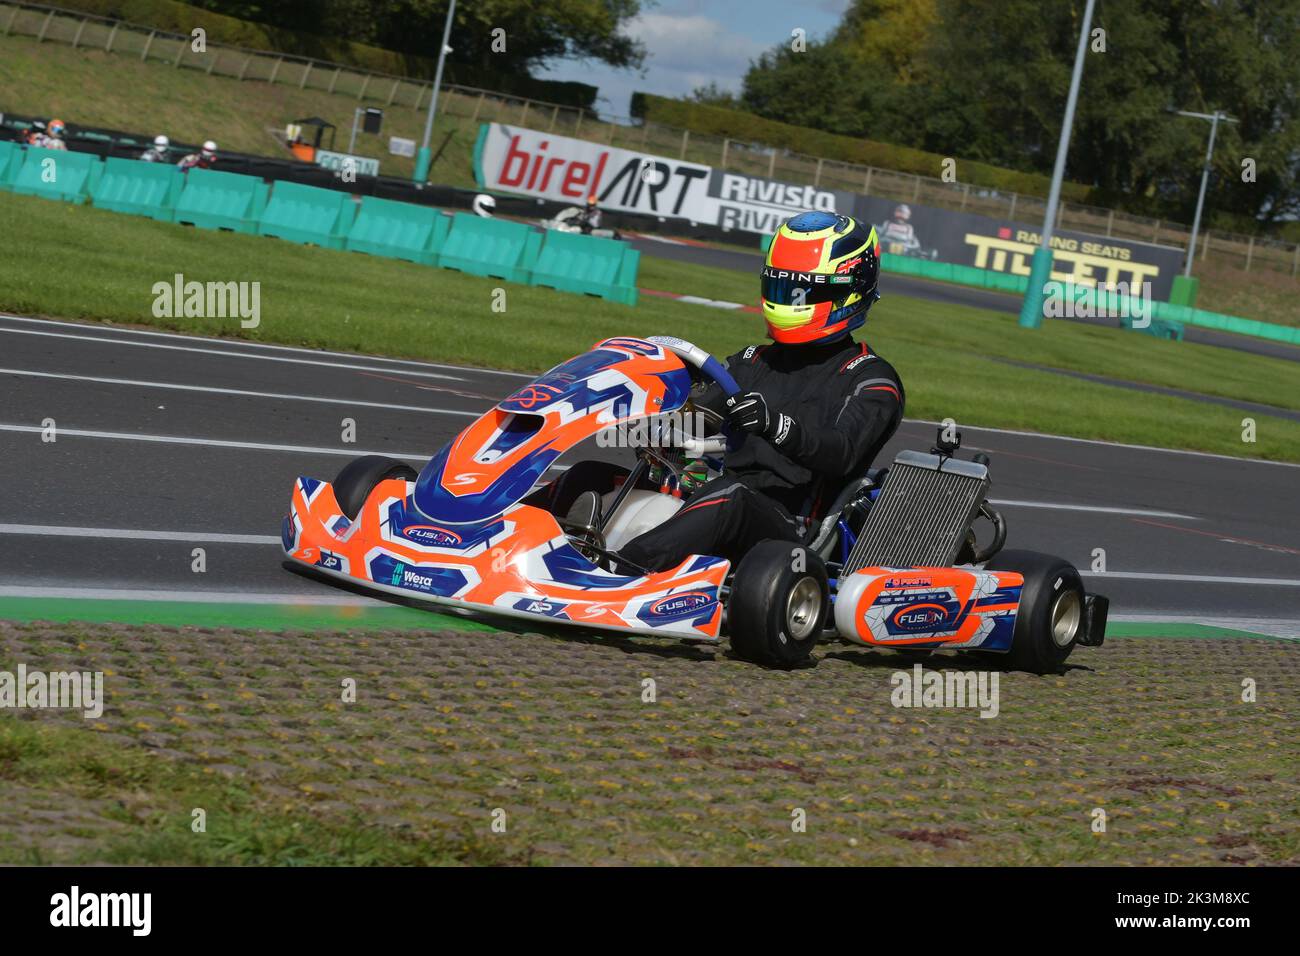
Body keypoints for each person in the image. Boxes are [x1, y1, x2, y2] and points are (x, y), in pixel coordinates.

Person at [613, 210, 905, 572]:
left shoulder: (870, 378)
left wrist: (775, 425)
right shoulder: (753, 361)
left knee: (729, 497)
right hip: (719, 497)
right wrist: (653, 405)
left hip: (790, 532)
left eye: (804, 291)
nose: (791, 301)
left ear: (849, 291)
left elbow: (841, 452)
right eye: (783, 287)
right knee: (605, 472)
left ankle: (621, 569)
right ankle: (542, 541)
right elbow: (697, 422)